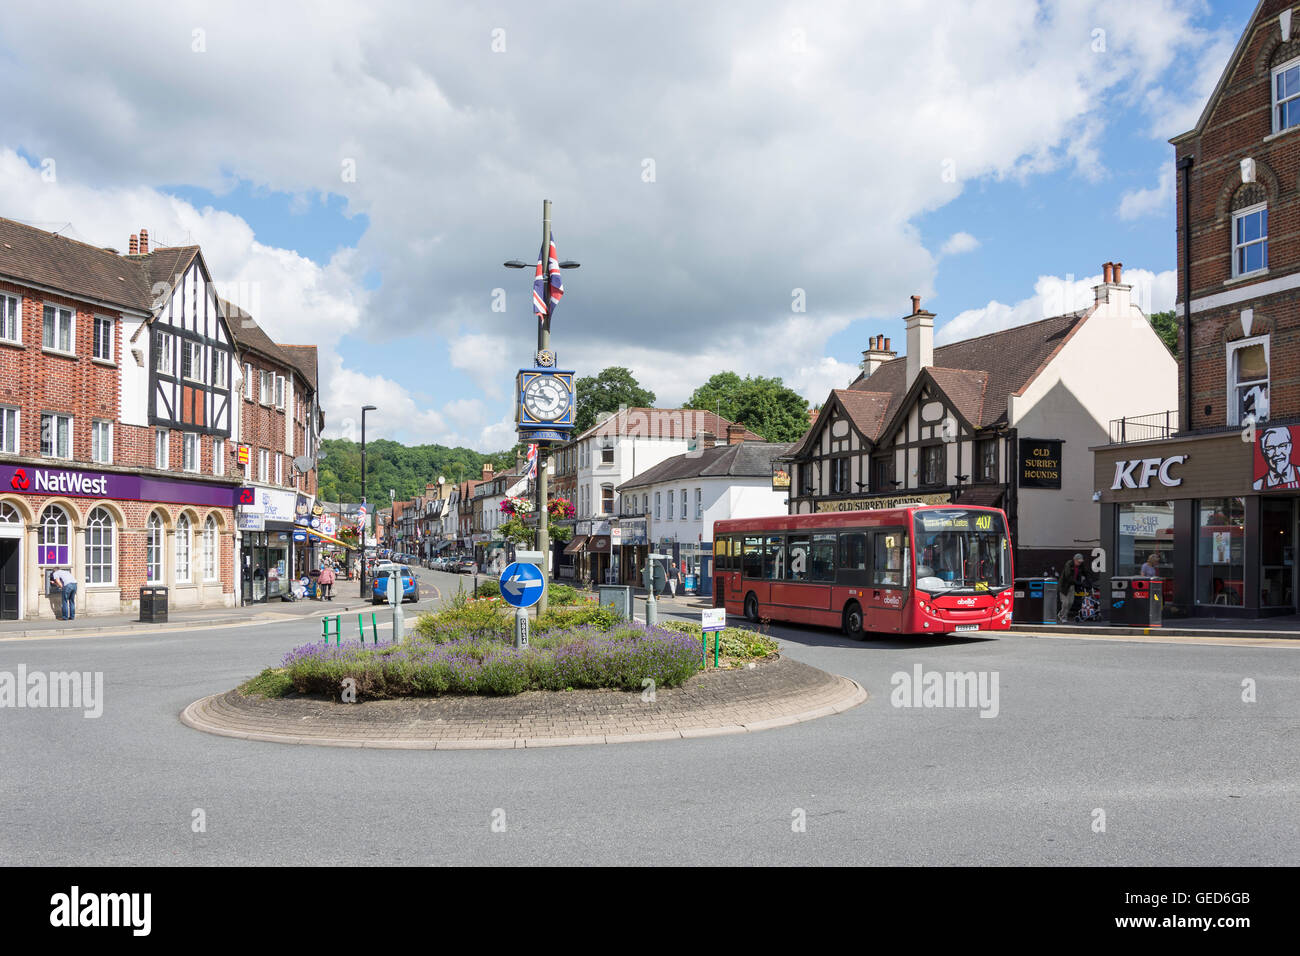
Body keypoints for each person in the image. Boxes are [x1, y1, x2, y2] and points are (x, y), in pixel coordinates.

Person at [1254, 426, 1300, 490]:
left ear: (1290, 447)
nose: (1277, 453)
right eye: (1270, 448)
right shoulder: (1257, 486)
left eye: (1282, 446)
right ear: (1264, 452)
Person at [1057, 553, 1093, 622]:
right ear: (1075, 560)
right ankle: (1063, 617)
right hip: (1064, 586)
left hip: (1072, 586)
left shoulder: (1080, 566)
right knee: (1065, 602)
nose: (1079, 563)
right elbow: (1068, 577)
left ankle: (1061, 614)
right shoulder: (1069, 564)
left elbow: (1085, 572)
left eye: (1080, 562)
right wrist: (1079, 583)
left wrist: (1089, 580)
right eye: (1078, 561)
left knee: (1070, 602)